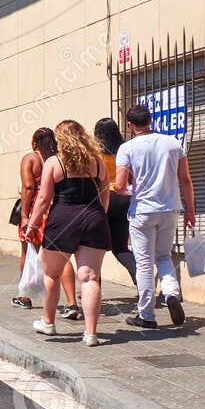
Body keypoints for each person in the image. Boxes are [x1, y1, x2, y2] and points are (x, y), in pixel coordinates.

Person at [24, 120, 111, 347]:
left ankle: (48, 322)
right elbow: (105, 194)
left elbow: (43, 198)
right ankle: (91, 334)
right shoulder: (98, 162)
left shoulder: (54, 162)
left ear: (60, 139)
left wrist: (32, 225)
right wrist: (99, 215)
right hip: (94, 218)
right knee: (90, 277)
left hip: (63, 219)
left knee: (51, 273)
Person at [116, 103, 196, 329]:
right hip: (170, 209)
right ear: (151, 121)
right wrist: (190, 210)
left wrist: (129, 188)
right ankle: (171, 293)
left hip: (142, 211)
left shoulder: (128, 148)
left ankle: (147, 315)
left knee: (143, 263)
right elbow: (186, 179)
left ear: (131, 125)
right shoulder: (173, 143)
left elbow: (121, 185)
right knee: (163, 256)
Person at [16, 128, 80, 316]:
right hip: (58, 209)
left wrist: (25, 215)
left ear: (34, 143)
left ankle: (25, 297)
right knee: (62, 255)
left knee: (28, 250)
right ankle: (71, 303)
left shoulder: (31, 159)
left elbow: (28, 187)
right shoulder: (61, 159)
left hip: (38, 209)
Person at [93, 118, 137, 285]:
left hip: (103, 200)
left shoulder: (95, 155)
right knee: (121, 248)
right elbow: (132, 178)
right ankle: (142, 282)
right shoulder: (124, 151)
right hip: (124, 199)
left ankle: (92, 287)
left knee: (94, 248)